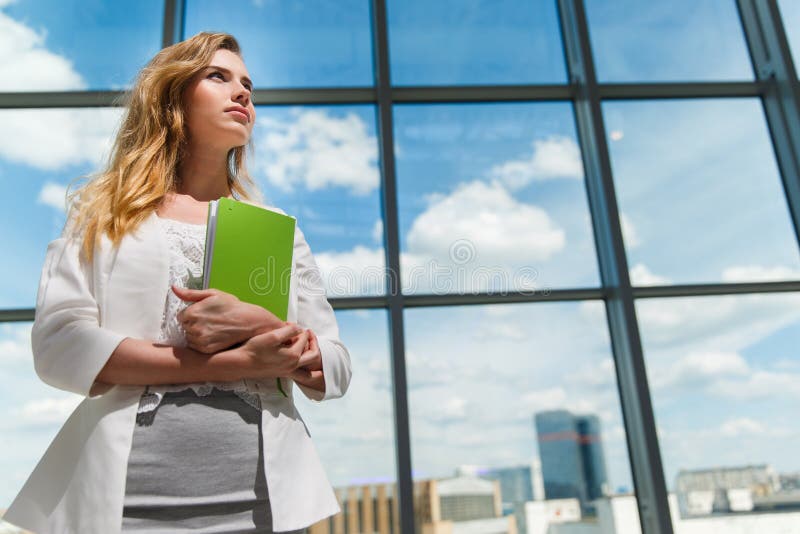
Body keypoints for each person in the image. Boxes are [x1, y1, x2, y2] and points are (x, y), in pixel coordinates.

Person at [4, 32, 352, 534]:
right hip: (130, 503)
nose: (243, 93)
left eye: (248, 84)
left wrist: (263, 325)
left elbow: (335, 364)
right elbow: (60, 345)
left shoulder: (274, 227)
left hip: (262, 506)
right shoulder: (105, 215)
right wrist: (238, 362)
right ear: (171, 97)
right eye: (219, 76)